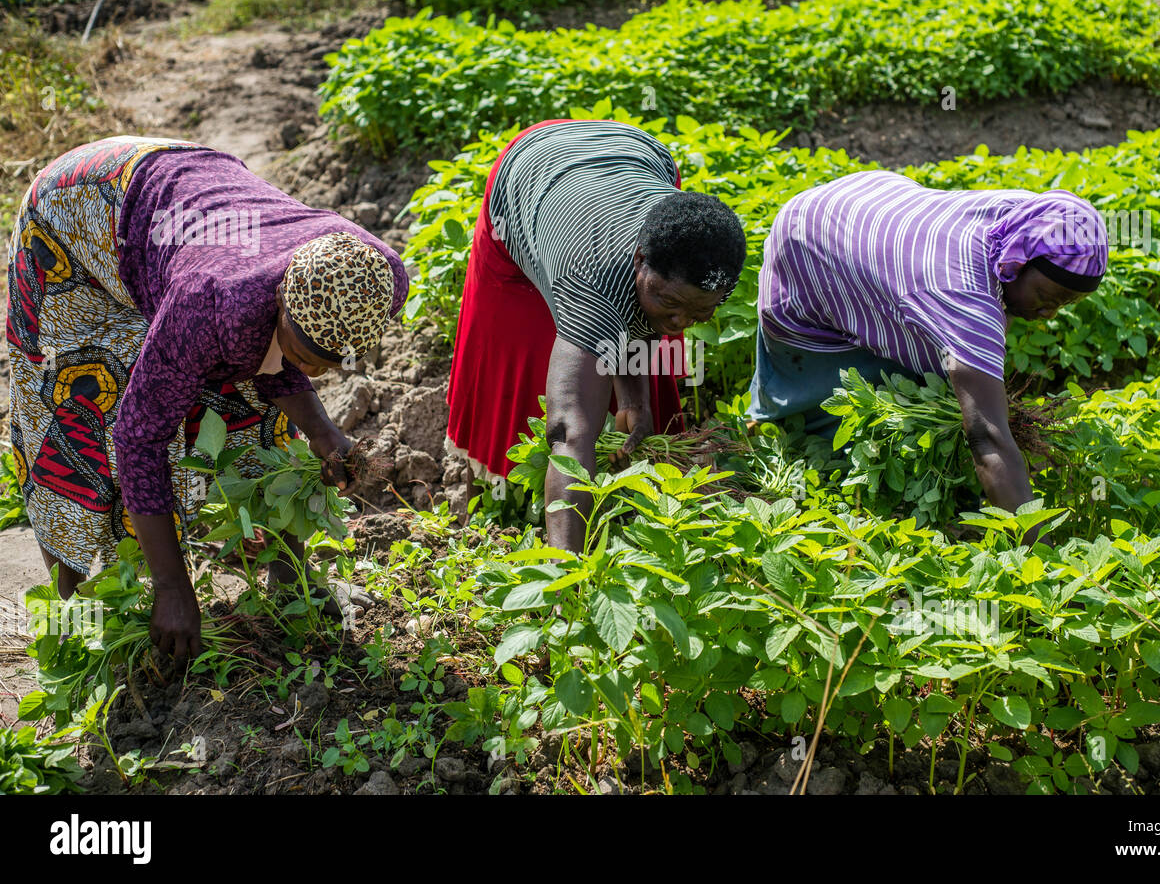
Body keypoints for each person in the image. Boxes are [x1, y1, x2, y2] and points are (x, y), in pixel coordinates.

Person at [6, 135, 408, 659]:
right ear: (279, 301)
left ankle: (289, 583)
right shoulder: (213, 301)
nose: (310, 371)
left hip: (197, 198)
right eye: (302, 353)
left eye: (328, 364)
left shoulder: (377, 274)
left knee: (247, 396)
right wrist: (174, 588)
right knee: (77, 401)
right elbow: (138, 435)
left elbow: (275, 366)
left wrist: (323, 433)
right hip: (78, 214)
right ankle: (78, 618)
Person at [445, 119, 746, 553]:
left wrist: (634, 400)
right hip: (528, 173)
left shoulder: (683, 238)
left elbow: (646, 317)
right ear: (639, 260)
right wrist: (568, 567)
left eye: (701, 311)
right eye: (671, 305)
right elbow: (569, 433)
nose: (681, 325)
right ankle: (498, 500)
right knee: (526, 349)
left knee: (643, 341)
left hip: (637, 155)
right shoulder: (589, 279)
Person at [751, 169, 1108, 514]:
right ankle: (761, 436)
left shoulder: (1034, 219)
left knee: (940, 372)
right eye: (1047, 297)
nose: (1049, 315)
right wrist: (1036, 553)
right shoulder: (961, 291)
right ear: (1017, 260)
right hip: (807, 242)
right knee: (829, 435)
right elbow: (987, 439)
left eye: (1066, 304)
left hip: (872, 206)